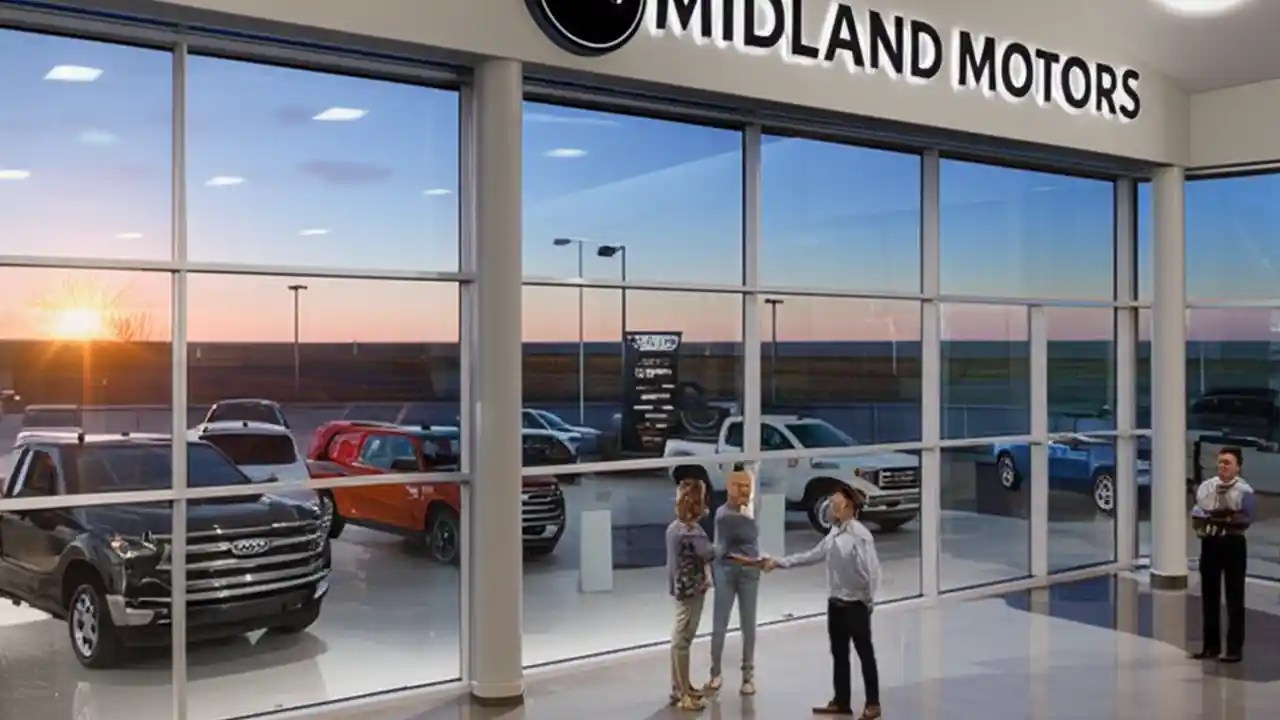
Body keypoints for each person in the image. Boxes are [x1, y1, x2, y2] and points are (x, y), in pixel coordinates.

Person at [734, 485, 881, 719]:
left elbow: (871, 572)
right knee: (839, 654)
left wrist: (868, 601)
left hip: (855, 605)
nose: (831, 509)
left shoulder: (860, 536)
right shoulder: (834, 533)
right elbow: (812, 555)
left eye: (835, 505)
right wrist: (779, 562)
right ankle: (841, 701)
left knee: (865, 654)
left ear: (849, 507)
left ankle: (873, 703)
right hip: (835, 604)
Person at [1190, 446, 1256, 664]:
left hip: (1233, 545)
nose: (1223, 466)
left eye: (1228, 462)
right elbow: (1198, 515)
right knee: (1209, 595)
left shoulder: (1244, 491)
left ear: (1238, 466)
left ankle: (1234, 649)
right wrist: (1224, 517)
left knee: (1234, 596)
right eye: (1220, 462)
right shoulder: (1206, 487)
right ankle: (1211, 646)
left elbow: (1244, 519)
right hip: (1210, 543)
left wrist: (1218, 517)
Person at [706, 467, 760, 697]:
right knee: (720, 624)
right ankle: (715, 673)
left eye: (747, 486)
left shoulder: (754, 508)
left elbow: (753, 541)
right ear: (729, 488)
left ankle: (748, 676)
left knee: (749, 624)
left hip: (749, 571)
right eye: (739, 486)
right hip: (726, 570)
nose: (744, 491)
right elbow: (724, 548)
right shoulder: (723, 514)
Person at [667, 478, 715, 711]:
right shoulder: (693, 533)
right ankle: (684, 693)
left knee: (679, 639)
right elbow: (710, 553)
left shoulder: (674, 528)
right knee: (683, 640)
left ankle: (680, 686)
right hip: (691, 591)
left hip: (681, 589)